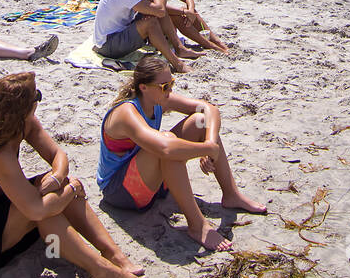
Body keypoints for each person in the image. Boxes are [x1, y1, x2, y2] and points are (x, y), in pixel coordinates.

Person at [0, 73, 145, 278]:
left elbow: (58, 155)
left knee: (54, 192)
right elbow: (36, 211)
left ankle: (113, 254)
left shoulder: (22, 124)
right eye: (37, 97)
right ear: (22, 109)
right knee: (46, 211)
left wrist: (58, 178)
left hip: (2, 213)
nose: (38, 101)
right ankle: (99, 269)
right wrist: (71, 189)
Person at [97, 58, 266, 252]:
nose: (169, 90)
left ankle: (231, 194)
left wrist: (210, 143)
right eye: (164, 86)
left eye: (172, 83)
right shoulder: (127, 112)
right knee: (168, 143)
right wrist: (205, 150)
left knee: (200, 121)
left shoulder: (158, 99)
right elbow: (165, 148)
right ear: (143, 87)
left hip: (150, 179)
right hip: (119, 192)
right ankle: (197, 226)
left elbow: (209, 109)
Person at [91, 0, 202, 72]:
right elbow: (160, 9)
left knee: (155, 9)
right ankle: (178, 64)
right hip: (107, 45)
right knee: (152, 21)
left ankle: (179, 48)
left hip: (117, 32)